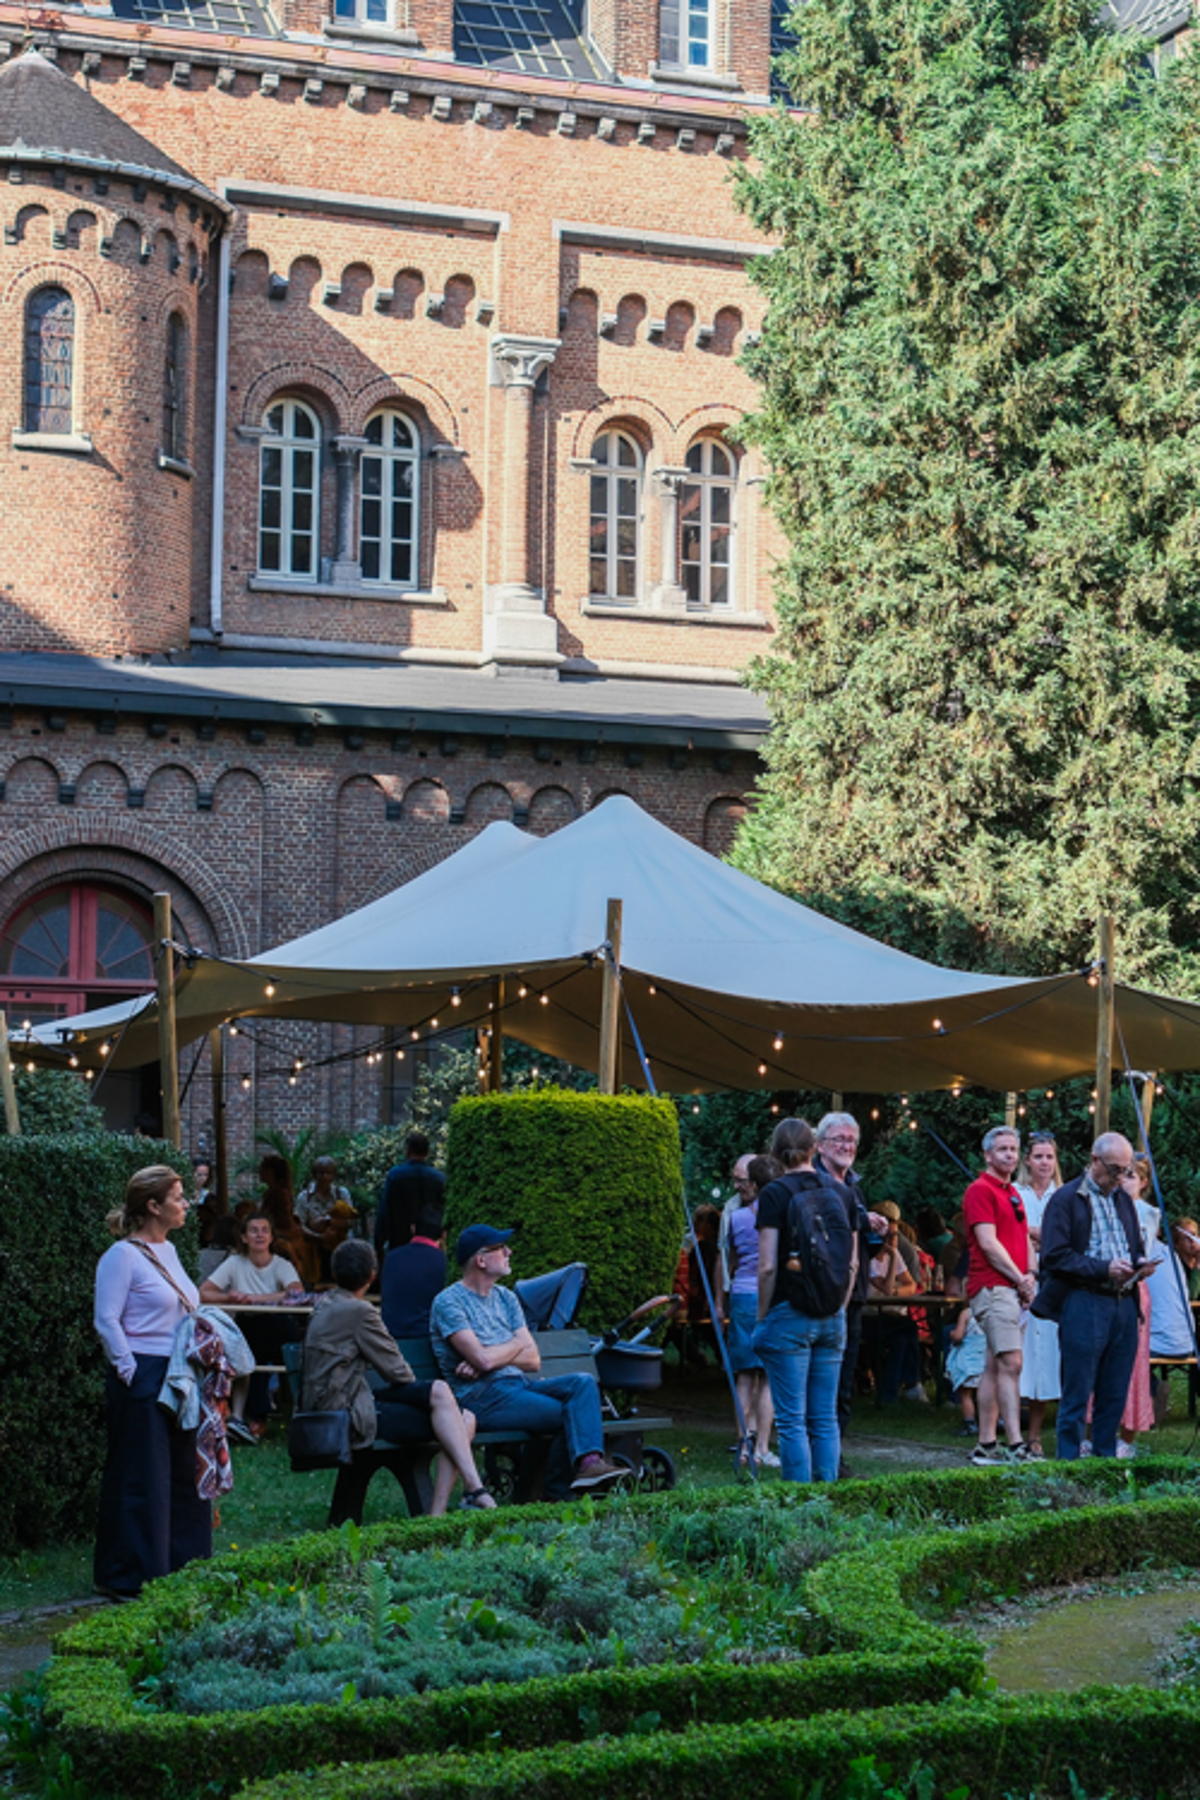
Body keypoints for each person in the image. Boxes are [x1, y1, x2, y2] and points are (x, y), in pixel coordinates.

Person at [304, 1238, 495, 1517]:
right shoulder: (359, 1312)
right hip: (350, 1416)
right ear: (372, 1275)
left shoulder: (326, 1304)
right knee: (460, 1417)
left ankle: (467, 1495)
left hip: (332, 1407)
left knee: (449, 1402)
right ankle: (461, 1499)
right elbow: (398, 1372)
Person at [430, 1224, 625, 1495]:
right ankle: (558, 1493)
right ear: (481, 1259)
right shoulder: (449, 1302)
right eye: (501, 1248)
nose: (509, 1251)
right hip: (481, 1396)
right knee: (568, 1415)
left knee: (582, 1383)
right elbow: (487, 1359)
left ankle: (589, 1464)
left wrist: (491, 1355)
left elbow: (532, 1358)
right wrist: (509, 1348)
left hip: (518, 1384)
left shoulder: (507, 1298)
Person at [93, 1165, 211, 1601]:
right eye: (178, 1197)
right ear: (153, 1206)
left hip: (179, 1373)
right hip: (143, 1374)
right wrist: (129, 1370)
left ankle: (181, 1564)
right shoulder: (122, 1256)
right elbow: (107, 1319)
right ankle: (130, 1574)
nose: (186, 1204)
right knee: (142, 1475)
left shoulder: (171, 1252)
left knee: (183, 1472)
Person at [752, 1117, 854, 1484]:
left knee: (791, 1418)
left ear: (775, 1152)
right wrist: (839, 1307)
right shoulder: (841, 1192)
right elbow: (852, 1261)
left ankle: (797, 1500)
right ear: (815, 1148)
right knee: (824, 1416)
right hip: (832, 1311)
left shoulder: (775, 1193)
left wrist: (763, 1316)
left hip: (789, 1311)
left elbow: (766, 1266)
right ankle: (827, 1493)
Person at [1039, 1132, 1148, 1461]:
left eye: (1126, 1171)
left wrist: (1140, 1263)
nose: (1120, 1178)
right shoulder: (1067, 1198)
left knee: (1114, 1392)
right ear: (1095, 1160)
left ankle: (1104, 1462)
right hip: (1085, 1300)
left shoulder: (1122, 1199)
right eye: (1115, 1170)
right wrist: (1103, 1268)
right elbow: (1055, 1256)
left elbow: (1134, 1246)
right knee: (1076, 1391)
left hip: (1124, 1304)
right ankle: (1068, 1468)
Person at [963, 1125, 1034, 1466]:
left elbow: (1023, 1238)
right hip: (993, 1286)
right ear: (988, 1155)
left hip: (1011, 1286)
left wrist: (1030, 1275)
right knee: (1011, 1362)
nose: (1010, 1154)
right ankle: (1017, 1443)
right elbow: (989, 1244)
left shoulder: (1013, 1193)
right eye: (1002, 1149)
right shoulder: (980, 1190)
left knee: (994, 1365)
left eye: (1013, 1148)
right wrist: (1020, 1278)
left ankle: (986, 1444)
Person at [199, 1212, 306, 1441]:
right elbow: (204, 1291)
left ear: (271, 1237)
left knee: (283, 1344)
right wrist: (229, 1296)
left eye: (264, 1230)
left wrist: (256, 1299)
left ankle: (271, 1416)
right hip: (249, 1325)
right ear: (244, 1237)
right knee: (248, 1346)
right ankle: (246, 1418)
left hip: (277, 1325)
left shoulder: (281, 1265)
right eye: (254, 1230)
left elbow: (296, 1292)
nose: (260, 1235)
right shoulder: (234, 1263)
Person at [812, 1111, 879, 1446]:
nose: (846, 1146)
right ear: (820, 1145)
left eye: (851, 1140)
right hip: (826, 1293)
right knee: (825, 1377)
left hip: (854, 1294)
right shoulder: (815, 1183)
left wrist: (872, 1228)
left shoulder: (853, 1185)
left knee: (844, 1376)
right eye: (839, 1139)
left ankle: (834, 1452)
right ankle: (823, 1454)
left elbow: (862, 1242)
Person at [724, 1152, 780, 1467]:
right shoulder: (777, 1216)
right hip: (767, 1294)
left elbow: (732, 1259)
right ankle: (762, 1446)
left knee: (744, 1376)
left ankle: (742, 1443)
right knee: (768, 1375)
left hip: (742, 1294)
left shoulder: (736, 1218)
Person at [1015, 1130, 1063, 1460]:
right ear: (1027, 1160)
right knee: (1014, 1358)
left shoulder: (1064, 1196)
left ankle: (1035, 1435)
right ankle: (1011, 1433)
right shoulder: (1016, 1193)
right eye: (1038, 1156)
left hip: (1052, 1284)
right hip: (1019, 1281)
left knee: (1045, 1360)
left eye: (1049, 1157)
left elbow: (1066, 1239)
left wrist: (1041, 1236)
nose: (1044, 1163)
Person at [1110, 1158, 1159, 1458]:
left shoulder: (1147, 1213)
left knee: (1132, 1362)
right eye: (1122, 1175)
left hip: (1134, 1288)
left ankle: (1127, 1433)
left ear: (1143, 1182)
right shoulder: (1106, 1205)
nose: (1125, 1181)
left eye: (1132, 1176)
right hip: (1108, 1285)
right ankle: (1097, 1431)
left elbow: (1144, 1250)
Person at [860, 1204, 926, 1404]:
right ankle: (904, 1386)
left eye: (896, 1236)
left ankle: (896, 1388)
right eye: (890, 1236)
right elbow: (887, 1288)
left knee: (906, 1331)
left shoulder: (894, 1254)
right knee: (905, 1331)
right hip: (867, 1315)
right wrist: (892, 1274)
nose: (895, 1241)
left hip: (888, 1313)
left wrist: (897, 1288)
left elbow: (911, 1285)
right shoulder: (868, 1257)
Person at [381, 1201, 448, 1339]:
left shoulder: (391, 1258)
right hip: (427, 1340)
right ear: (443, 1234)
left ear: (412, 1228)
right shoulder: (444, 1262)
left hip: (390, 1338)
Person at [376, 1132, 446, 1258]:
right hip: (431, 1242)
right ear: (427, 1152)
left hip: (400, 1241)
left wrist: (379, 1243)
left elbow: (384, 1212)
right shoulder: (438, 1178)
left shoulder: (395, 1175)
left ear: (407, 1150)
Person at [295, 1156, 357, 1281]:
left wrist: (327, 1221)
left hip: (340, 1248)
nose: (324, 1177)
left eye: (328, 1173)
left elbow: (351, 1221)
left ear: (334, 1175)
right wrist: (319, 1237)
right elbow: (298, 1225)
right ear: (314, 1174)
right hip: (314, 1250)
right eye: (320, 1173)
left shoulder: (342, 1194)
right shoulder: (304, 1197)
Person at [945, 1301, 986, 1435]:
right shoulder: (991, 1312)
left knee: (966, 1394)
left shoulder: (967, 1313)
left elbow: (958, 1336)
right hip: (985, 1359)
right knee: (985, 1393)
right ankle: (989, 1422)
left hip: (969, 1360)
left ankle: (970, 1423)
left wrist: (951, 1334)